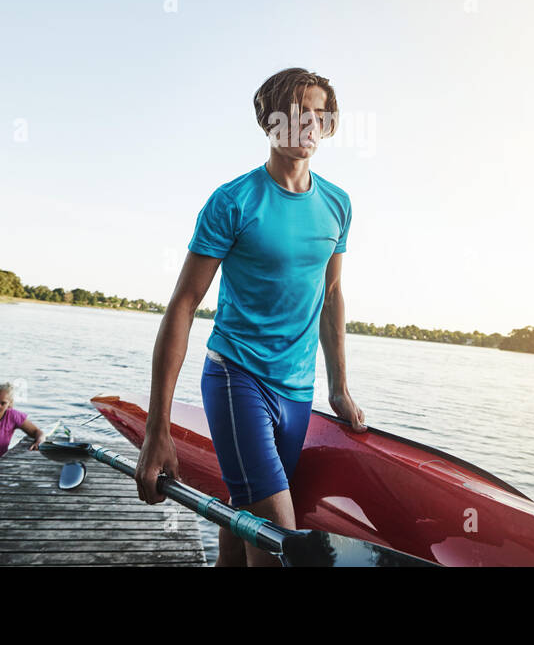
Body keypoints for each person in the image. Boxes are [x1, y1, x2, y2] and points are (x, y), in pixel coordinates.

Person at [135, 67, 366, 567]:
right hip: (237, 379)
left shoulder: (338, 205)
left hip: (298, 394)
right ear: (269, 121)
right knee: (279, 544)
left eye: (318, 115)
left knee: (238, 538)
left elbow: (331, 295)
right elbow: (183, 305)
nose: (307, 124)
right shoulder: (233, 201)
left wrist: (339, 387)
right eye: (295, 112)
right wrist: (159, 428)